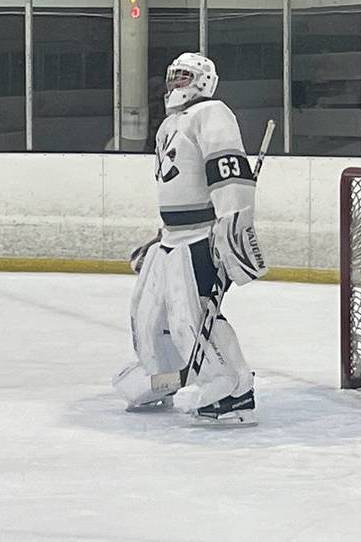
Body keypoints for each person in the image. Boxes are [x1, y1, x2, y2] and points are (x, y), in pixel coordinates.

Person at [112, 52, 268, 426]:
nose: (175, 84)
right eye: (173, 76)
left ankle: (233, 386)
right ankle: (164, 377)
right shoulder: (169, 124)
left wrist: (231, 230)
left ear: (203, 80)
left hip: (200, 236)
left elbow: (228, 173)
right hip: (170, 238)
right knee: (147, 317)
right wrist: (159, 235)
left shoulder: (213, 113)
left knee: (193, 317)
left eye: (184, 77)